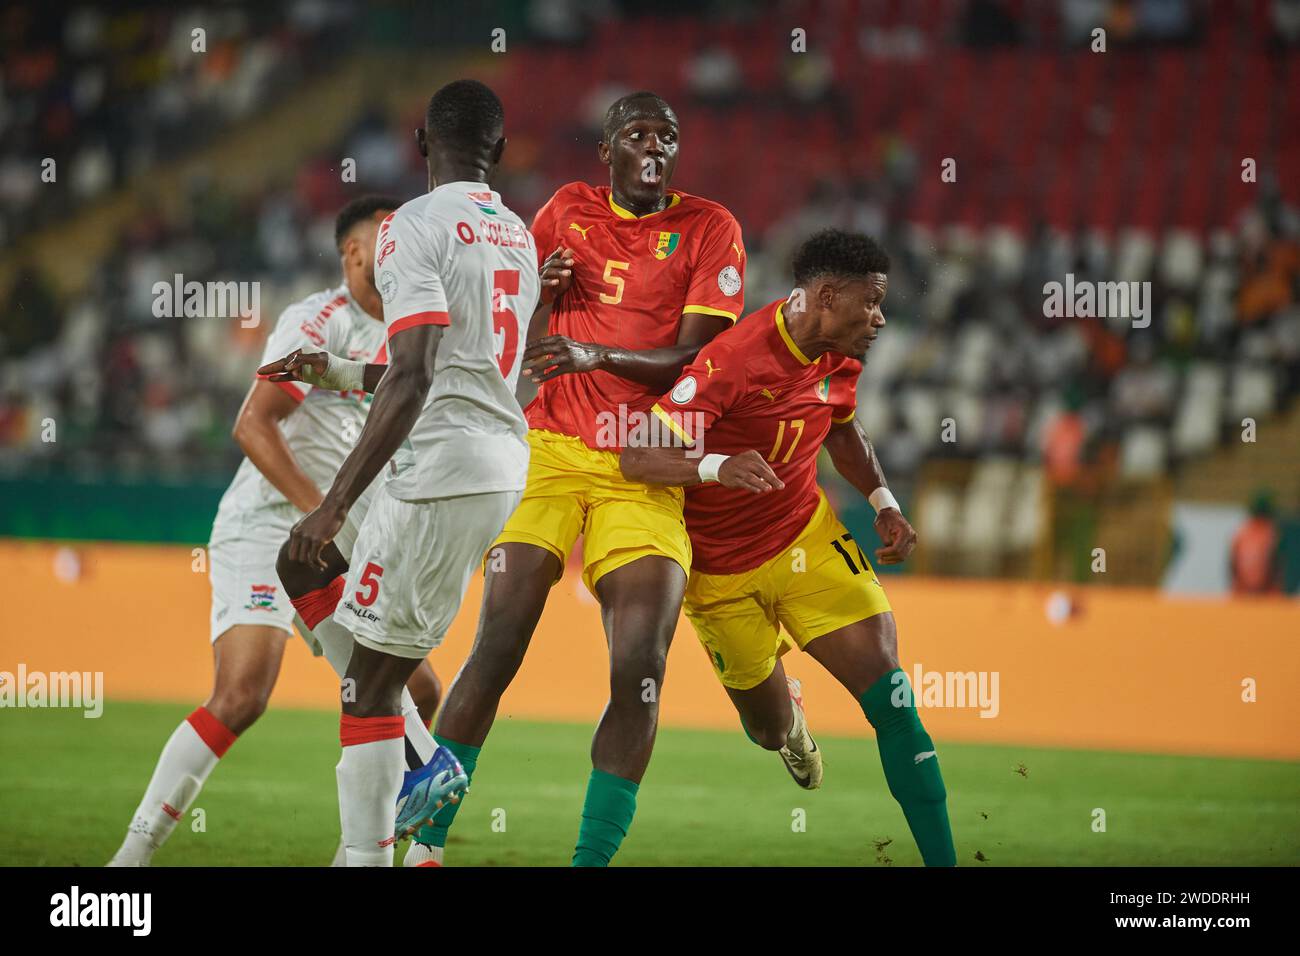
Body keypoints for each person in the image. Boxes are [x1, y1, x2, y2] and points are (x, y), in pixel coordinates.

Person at [428, 91, 747, 866]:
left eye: (667, 136)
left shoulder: (710, 228)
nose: (654, 146)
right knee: (498, 641)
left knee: (640, 667)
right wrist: (544, 287)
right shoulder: (566, 209)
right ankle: (425, 847)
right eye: (637, 133)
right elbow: (520, 333)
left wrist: (596, 355)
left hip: (644, 462)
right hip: (550, 450)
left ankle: (589, 862)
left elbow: (697, 362)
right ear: (605, 149)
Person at [108, 196, 443, 867]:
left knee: (420, 691)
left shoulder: (415, 335)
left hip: (336, 535)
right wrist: (322, 510)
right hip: (270, 526)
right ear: (352, 252)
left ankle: (359, 851)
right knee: (243, 694)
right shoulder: (318, 320)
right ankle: (131, 857)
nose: (400, 247)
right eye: (385, 236)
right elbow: (252, 424)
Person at [263, 79, 539, 866]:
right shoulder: (515, 232)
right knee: (300, 563)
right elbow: (457, 364)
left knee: (367, 687)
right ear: (502, 151)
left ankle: (371, 846)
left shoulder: (411, 225)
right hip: (494, 466)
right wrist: (344, 372)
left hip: (439, 472)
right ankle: (422, 757)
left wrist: (334, 501)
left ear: (420, 141)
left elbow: (417, 375)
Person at [620, 229, 957, 866]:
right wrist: (720, 467)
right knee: (766, 728)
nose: (881, 319)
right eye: (873, 303)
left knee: (892, 698)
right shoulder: (733, 360)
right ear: (826, 296)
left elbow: (842, 428)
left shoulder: (841, 356)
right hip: (720, 573)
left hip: (811, 540)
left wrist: (884, 503)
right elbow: (640, 453)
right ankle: (788, 720)